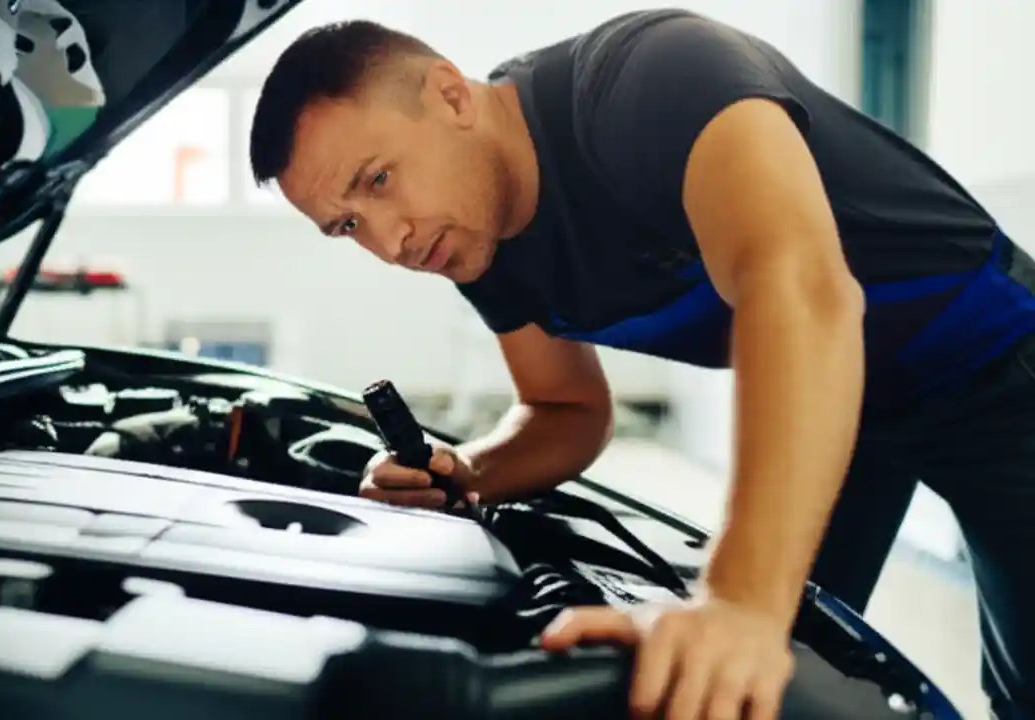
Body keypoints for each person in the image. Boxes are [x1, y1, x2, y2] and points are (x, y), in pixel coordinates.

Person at [248, 10, 1034, 719]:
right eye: (348, 224)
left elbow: (803, 290)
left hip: (996, 362)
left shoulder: (649, 78)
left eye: (379, 179)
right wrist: (468, 473)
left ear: (451, 95)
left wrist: (738, 600)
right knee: (766, 677)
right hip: (851, 403)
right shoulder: (474, 244)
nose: (392, 243)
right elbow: (565, 409)